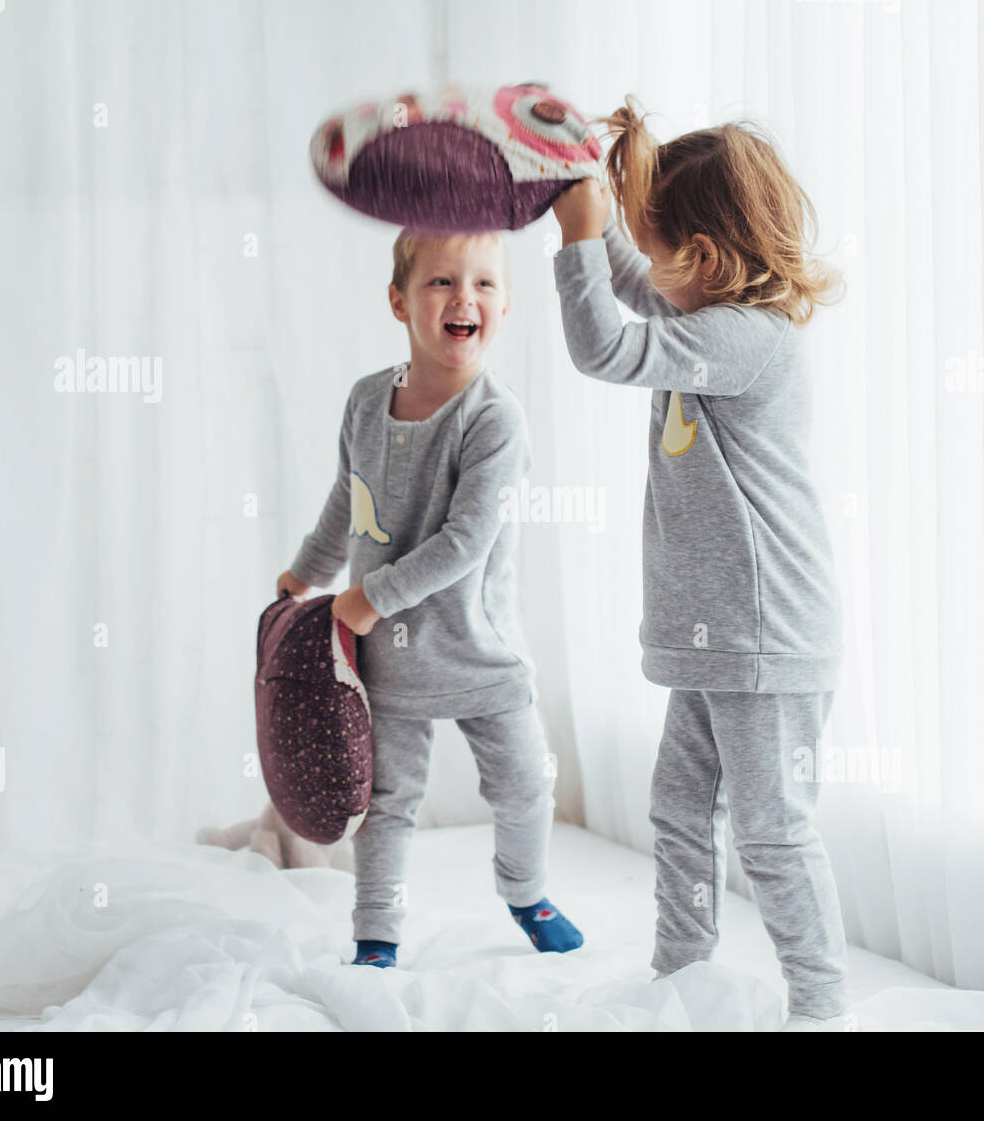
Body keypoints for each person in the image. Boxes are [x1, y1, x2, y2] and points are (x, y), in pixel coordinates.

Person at [550, 95, 847, 1029]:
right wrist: (595, 215)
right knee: (679, 807)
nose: (643, 263)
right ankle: (684, 980)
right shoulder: (707, 312)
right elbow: (637, 287)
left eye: (654, 242)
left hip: (766, 633)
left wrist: (580, 239)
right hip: (718, 632)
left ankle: (823, 1006)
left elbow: (603, 343)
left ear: (706, 260)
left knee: (772, 829)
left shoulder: (741, 338)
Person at [279, 226, 582, 968]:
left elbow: (465, 541)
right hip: (388, 666)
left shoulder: (493, 420)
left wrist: (366, 599)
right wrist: (305, 576)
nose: (464, 297)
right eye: (442, 282)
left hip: (482, 658)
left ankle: (525, 892)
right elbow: (346, 502)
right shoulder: (363, 402)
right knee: (385, 806)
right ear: (399, 302)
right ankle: (376, 935)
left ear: (505, 307)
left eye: (483, 283)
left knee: (523, 786)